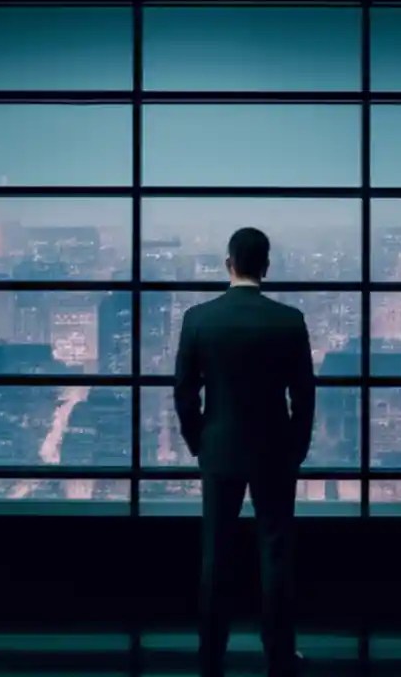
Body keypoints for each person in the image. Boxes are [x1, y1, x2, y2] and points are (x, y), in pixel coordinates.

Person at [174, 227, 316, 677]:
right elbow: (305, 396)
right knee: (275, 553)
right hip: (274, 451)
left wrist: (200, 439)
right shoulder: (289, 321)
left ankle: (211, 653)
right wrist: (295, 447)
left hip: (219, 450)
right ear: (266, 267)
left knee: (216, 554)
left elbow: (183, 392)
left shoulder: (199, 319)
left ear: (228, 264)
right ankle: (278, 652)